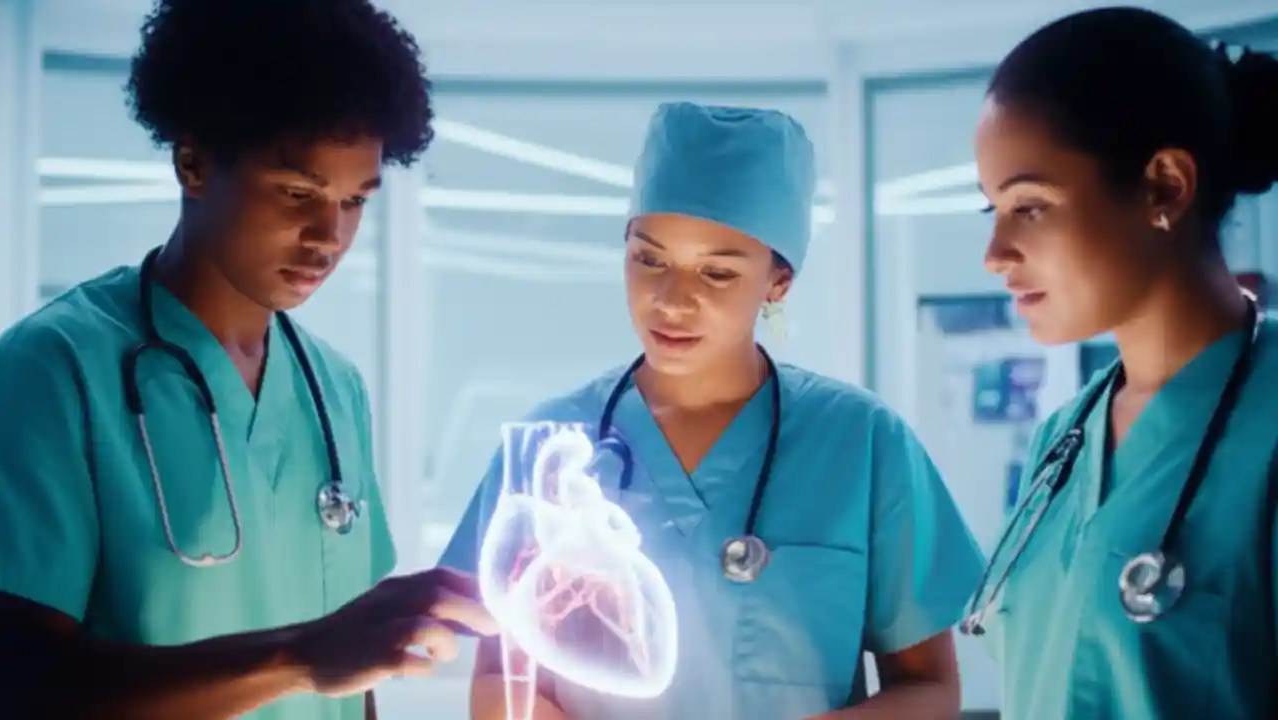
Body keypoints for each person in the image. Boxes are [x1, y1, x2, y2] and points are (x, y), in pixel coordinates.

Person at [0, 1, 496, 719]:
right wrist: (298, 658)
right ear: (194, 163)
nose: (329, 235)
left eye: (355, 201)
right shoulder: (53, 369)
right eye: (298, 193)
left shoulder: (334, 389)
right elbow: (19, 684)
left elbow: (354, 683)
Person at [441, 101, 984, 720]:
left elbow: (929, 687)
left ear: (778, 282)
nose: (673, 300)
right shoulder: (550, 446)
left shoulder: (860, 442)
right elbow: (502, 677)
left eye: (717, 273)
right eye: (649, 259)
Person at [967, 7, 1278, 719]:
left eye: (1030, 206)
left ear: (1164, 186)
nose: (995, 255)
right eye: (993, 211)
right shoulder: (1064, 440)